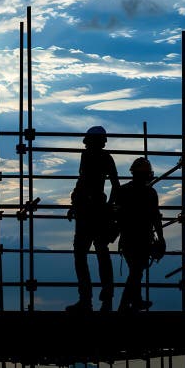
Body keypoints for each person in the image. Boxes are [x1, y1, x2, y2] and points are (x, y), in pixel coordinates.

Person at [66, 126, 119, 312]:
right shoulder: (91, 156)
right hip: (89, 210)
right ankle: (98, 297)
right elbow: (84, 182)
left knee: (89, 254)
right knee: (96, 253)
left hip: (92, 211)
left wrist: (108, 207)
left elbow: (114, 185)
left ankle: (91, 298)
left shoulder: (101, 157)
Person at [115, 157, 164, 312]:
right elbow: (155, 217)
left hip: (128, 238)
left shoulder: (123, 191)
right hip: (143, 238)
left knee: (135, 271)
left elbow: (118, 217)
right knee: (136, 272)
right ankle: (124, 305)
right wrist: (161, 238)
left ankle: (136, 301)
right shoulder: (150, 193)